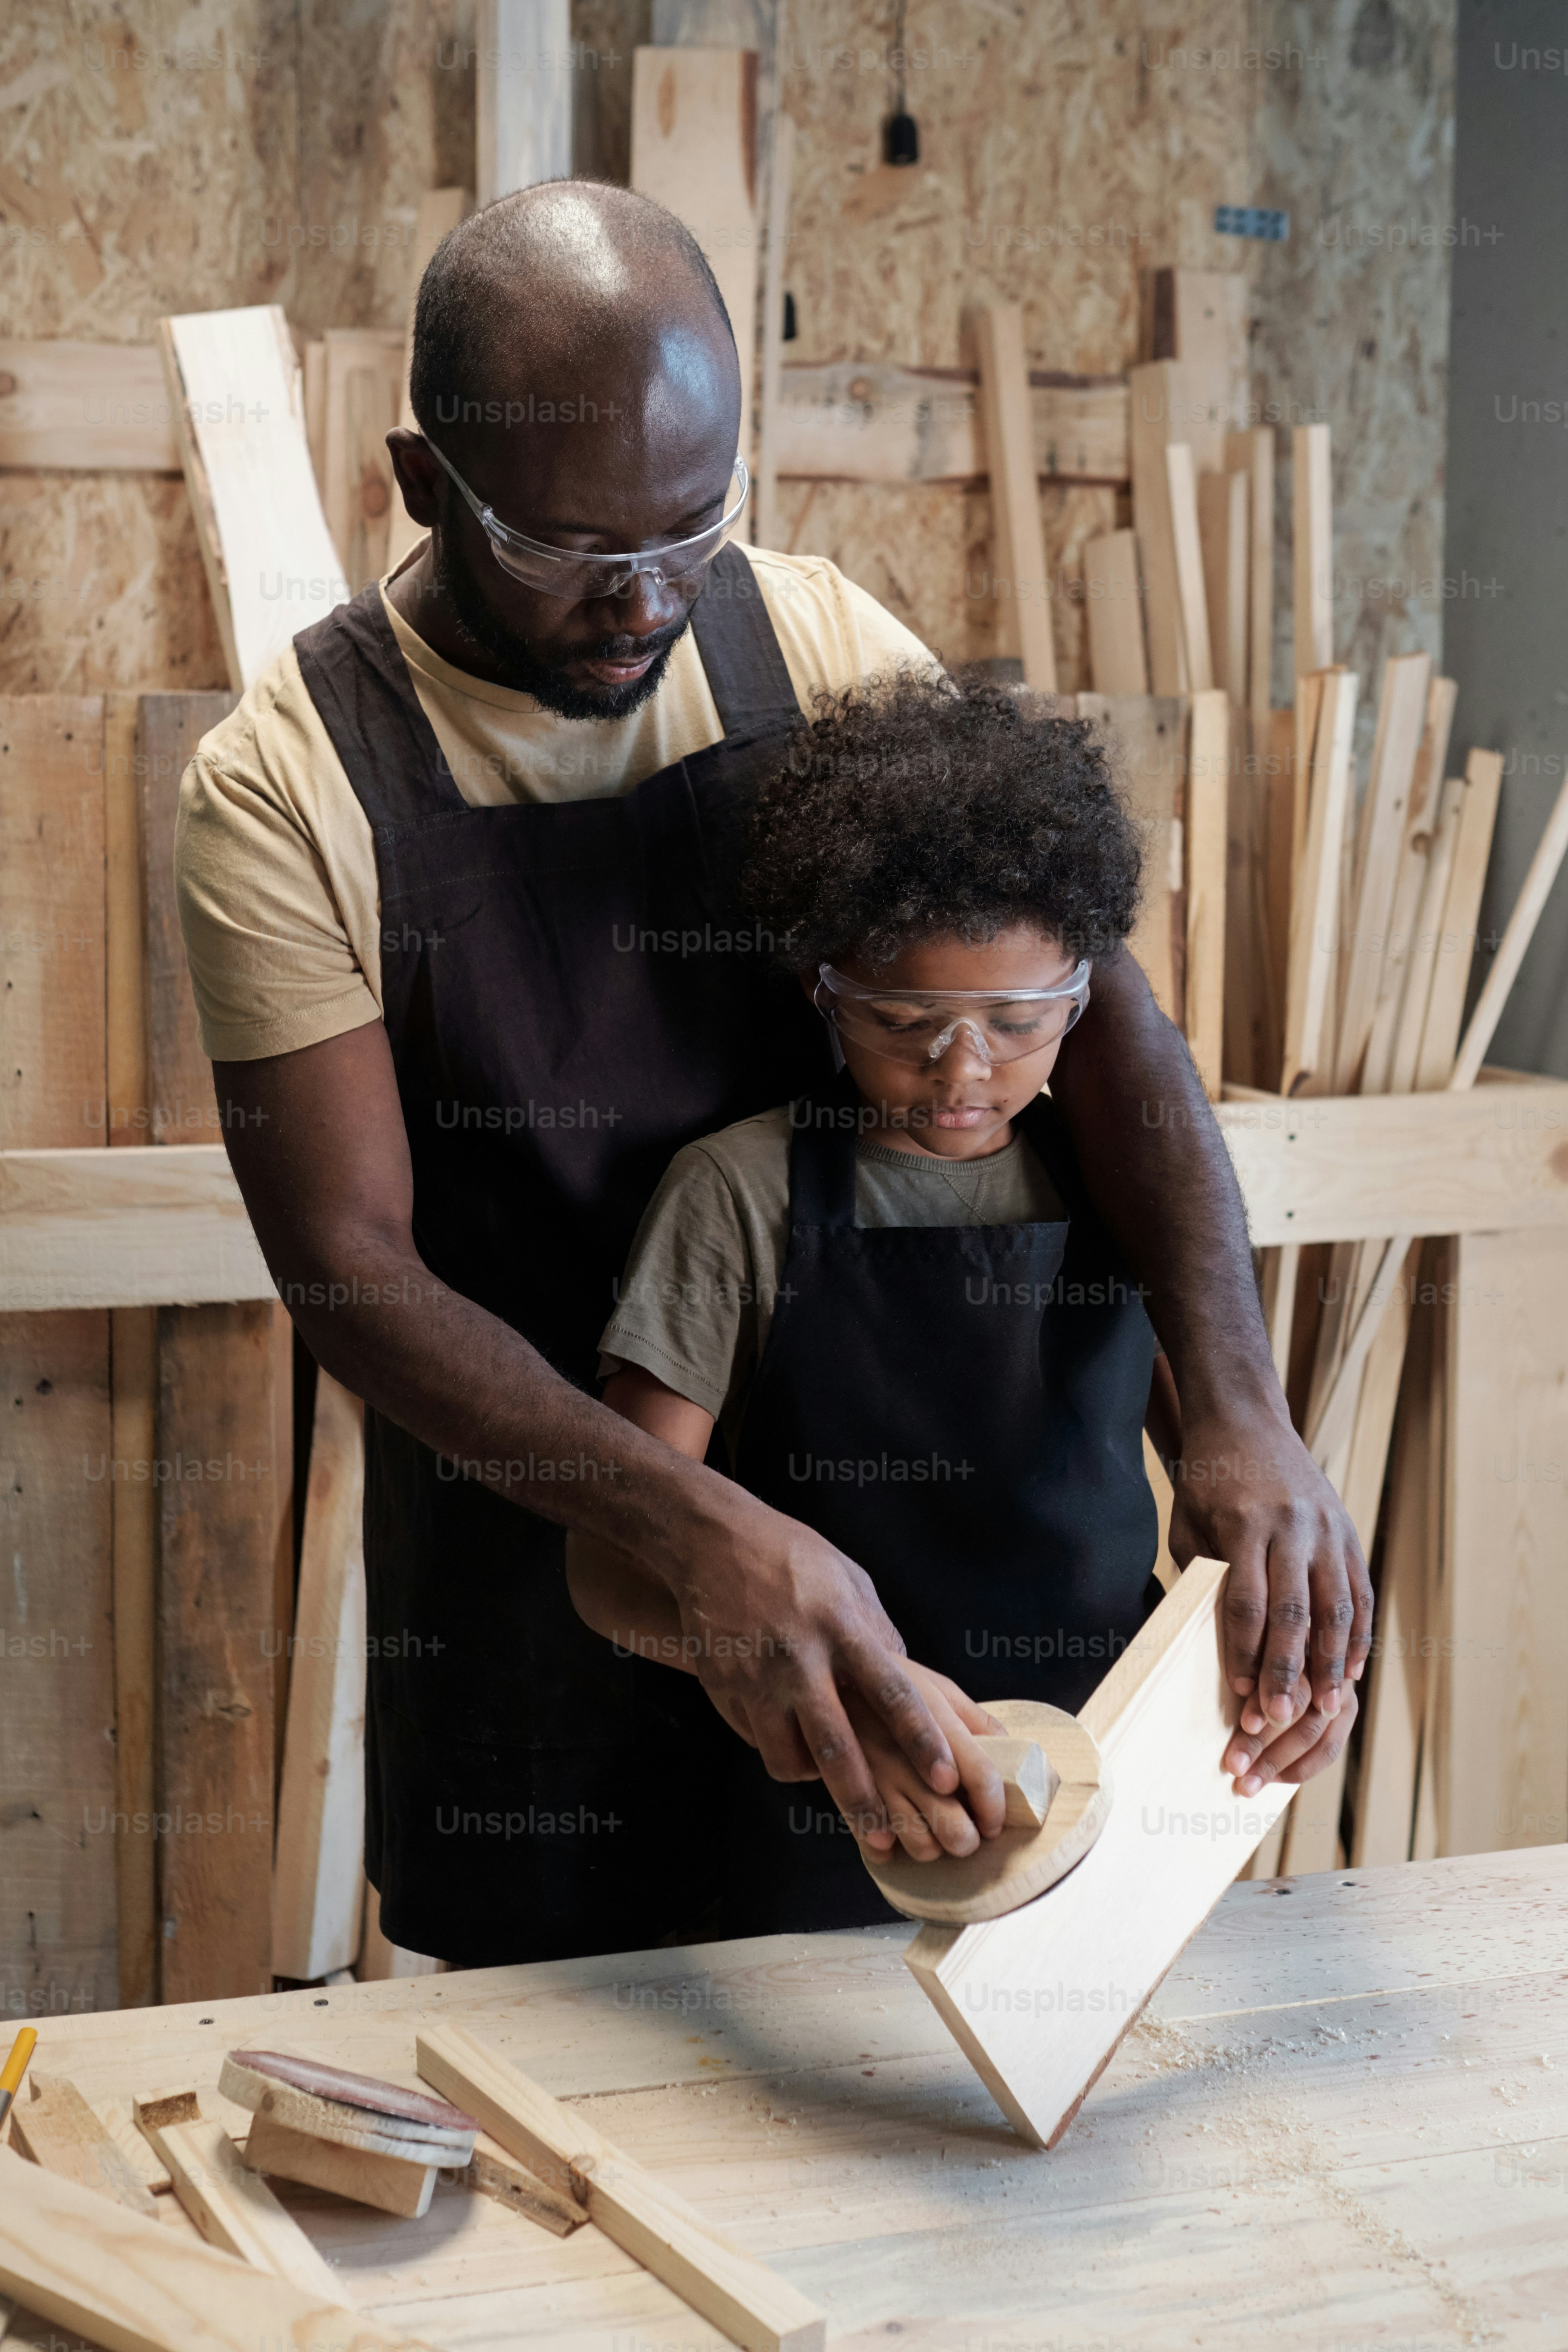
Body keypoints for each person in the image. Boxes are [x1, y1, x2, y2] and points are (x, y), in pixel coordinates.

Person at [180, 179, 1369, 1969]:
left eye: (693, 525)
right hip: (562, 1562)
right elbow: (350, 1270)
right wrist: (690, 1529)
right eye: (579, 551)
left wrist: (1235, 1402)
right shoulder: (286, 786)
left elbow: (1097, 1012)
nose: (647, 602)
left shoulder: (804, 646)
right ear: (425, 485)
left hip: (899, 1529)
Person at [565, 672, 1219, 1928]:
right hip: (820, 1810)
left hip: (1094, 1800)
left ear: (1085, 995)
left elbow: (1216, 1495)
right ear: (825, 987)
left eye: (1021, 1023)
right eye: (907, 1021)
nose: (963, 1071)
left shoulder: (1133, 1190)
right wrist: (801, 1682)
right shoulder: (738, 1195)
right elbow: (611, 1568)